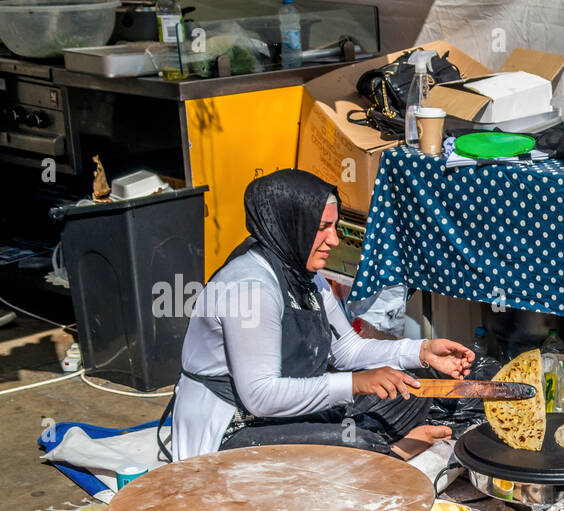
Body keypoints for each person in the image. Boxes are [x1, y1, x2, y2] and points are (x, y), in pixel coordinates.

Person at [165, 169, 474, 461]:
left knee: (411, 388)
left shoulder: (304, 275)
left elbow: (348, 351)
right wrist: (354, 383)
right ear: (289, 224)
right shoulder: (251, 288)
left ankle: (377, 453)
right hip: (232, 427)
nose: (334, 240)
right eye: (322, 228)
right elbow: (260, 396)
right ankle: (388, 456)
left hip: (281, 412)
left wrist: (420, 351)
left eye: (334, 227)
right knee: (356, 442)